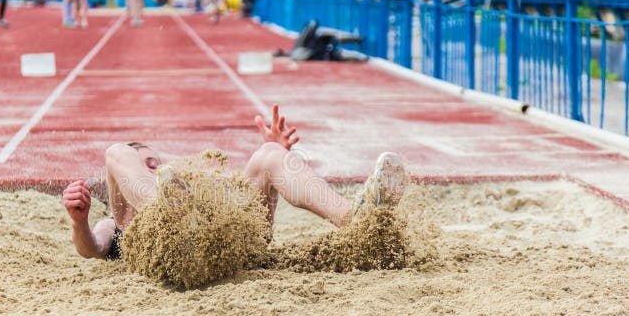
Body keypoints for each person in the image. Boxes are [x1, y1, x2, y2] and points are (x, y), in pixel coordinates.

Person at [62, 105, 407, 261]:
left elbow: (242, 198)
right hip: (169, 251)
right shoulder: (118, 222)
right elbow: (92, 248)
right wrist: (80, 221)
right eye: (146, 165)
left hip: (230, 247)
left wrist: (277, 162)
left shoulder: (189, 186)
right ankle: (164, 211)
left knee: (269, 154)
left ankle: (358, 218)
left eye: (157, 164)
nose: (155, 167)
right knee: (115, 150)